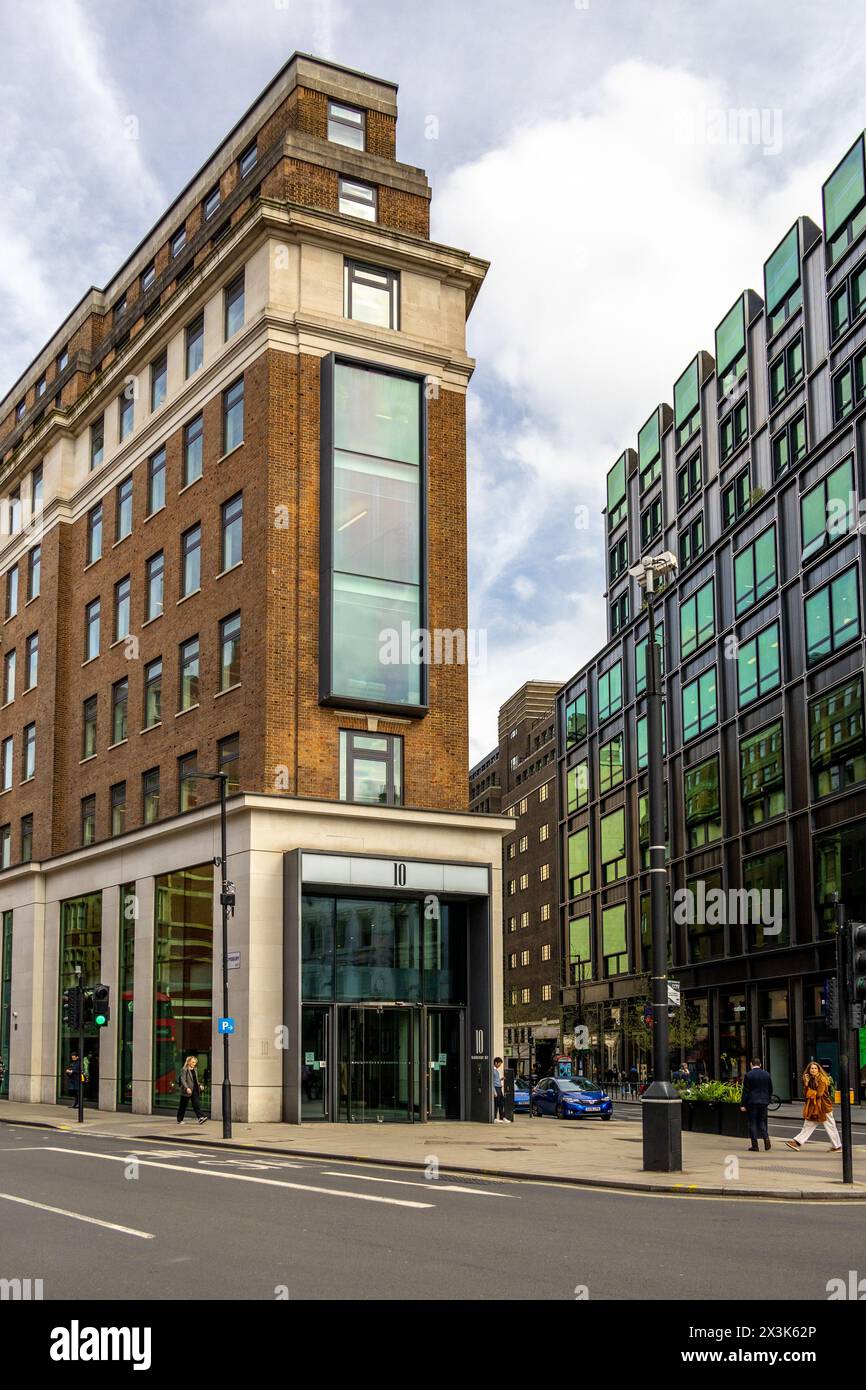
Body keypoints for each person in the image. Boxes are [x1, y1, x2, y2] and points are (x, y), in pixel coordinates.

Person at [785, 1061, 842, 1153]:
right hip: (815, 1106)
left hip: (823, 1106)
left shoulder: (822, 1079)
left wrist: (809, 1092)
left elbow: (819, 1094)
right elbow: (805, 1094)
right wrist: (806, 1083)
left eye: (815, 1068)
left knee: (830, 1126)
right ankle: (797, 1142)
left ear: (819, 1069)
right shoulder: (810, 1079)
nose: (813, 1070)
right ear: (809, 1070)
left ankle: (837, 1146)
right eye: (812, 1068)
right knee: (809, 1124)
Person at [740, 1057, 773, 1152]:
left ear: (751, 1064)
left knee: (752, 1123)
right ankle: (766, 1139)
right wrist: (768, 1098)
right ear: (760, 1064)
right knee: (762, 1122)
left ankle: (755, 1145)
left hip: (752, 1102)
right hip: (764, 1102)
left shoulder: (748, 1075)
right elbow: (770, 1088)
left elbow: (745, 1091)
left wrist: (743, 1104)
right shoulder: (767, 1074)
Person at [177, 1055, 208, 1125]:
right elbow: (183, 1080)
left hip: (195, 1089)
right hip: (187, 1090)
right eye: (193, 1062)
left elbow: (195, 1080)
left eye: (195, 1062)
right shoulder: (184, 1069)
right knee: (183, 1105)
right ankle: (179, 1119)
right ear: (189, 1062)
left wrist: (200, 1085)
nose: (195, 1063)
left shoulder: (195, 1069)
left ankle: (200, 1117)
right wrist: (187, 1088)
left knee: (196, 1104)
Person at [492, 1056, 509, 1123]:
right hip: (496, 1088)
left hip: (499, 1088)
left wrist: (500, 1079)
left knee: (501, 1103)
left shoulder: (496, 1070)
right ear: (496, 1063)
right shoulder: (492, 1070)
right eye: (499, 1064)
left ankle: (502, 1117)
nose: (500, 1065)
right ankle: (495, 1118)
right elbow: (492, 1081)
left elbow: (496, 1080)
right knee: (496, 1103)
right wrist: (494, 1092)